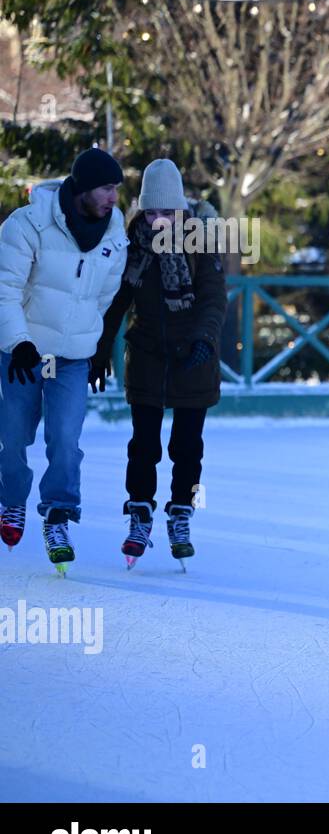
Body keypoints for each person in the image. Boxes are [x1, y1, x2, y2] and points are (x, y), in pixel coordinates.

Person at [92, 159, 228, 569]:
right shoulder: (132, 246)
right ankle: (138, 515)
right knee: (143, 446)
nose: (159, 221)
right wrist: (100, 351)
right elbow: (116, 303)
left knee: (187, 448)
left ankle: (180, 515)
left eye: (167, 213)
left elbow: (213, 298)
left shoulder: (201, 243)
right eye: (152, 212)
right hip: (148, 357)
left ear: (181, 212)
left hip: (193, 359)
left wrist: (204, 339)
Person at [0, 147, 129, 573]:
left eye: (116, 189)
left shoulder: (114, 234)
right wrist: (18, 340)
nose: (114, 197)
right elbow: (5, 287)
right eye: (107, 188)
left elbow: (105, 298)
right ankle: (12, 501)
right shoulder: (27, 224)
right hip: (24, 353)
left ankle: (57, 515)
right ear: (83, 188)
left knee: (65, 440)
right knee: (14, 436)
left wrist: (95, 346)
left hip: (72, 357)